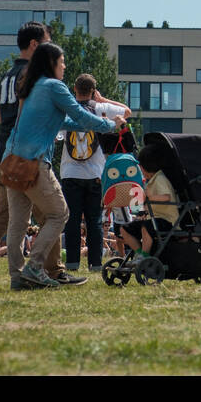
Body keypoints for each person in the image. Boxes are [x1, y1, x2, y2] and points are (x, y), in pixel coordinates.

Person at [3, 42, 123, 289]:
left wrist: (97, 123)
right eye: (62, 62)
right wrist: (111, 125)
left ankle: (18, 278)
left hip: (11, 159)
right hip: (34, 161)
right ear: (52, 64)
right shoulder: (54, 86)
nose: (65, 67)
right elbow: (80, 116)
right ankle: (34, 267)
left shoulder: (32, 87)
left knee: (17, 222)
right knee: (60, 214)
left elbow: (70, 122)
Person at [0, 22, 60, 292]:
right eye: (47, 43)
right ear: (34, 45)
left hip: (1, 155)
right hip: (23, 157)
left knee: (8, 216)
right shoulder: (33, 74)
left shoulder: (6, 75)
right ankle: (47, 271)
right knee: (50, 213)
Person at [58, 74, 130, 274]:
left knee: (71, 220)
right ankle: (96, 264)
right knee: (94, 220)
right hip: (96, 173)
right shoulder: (99, 108)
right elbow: (127, 111)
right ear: (93, 90)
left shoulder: (69, 109)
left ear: (74, 89)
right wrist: (103, 100)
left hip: (70, 172)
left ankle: (72, 262)